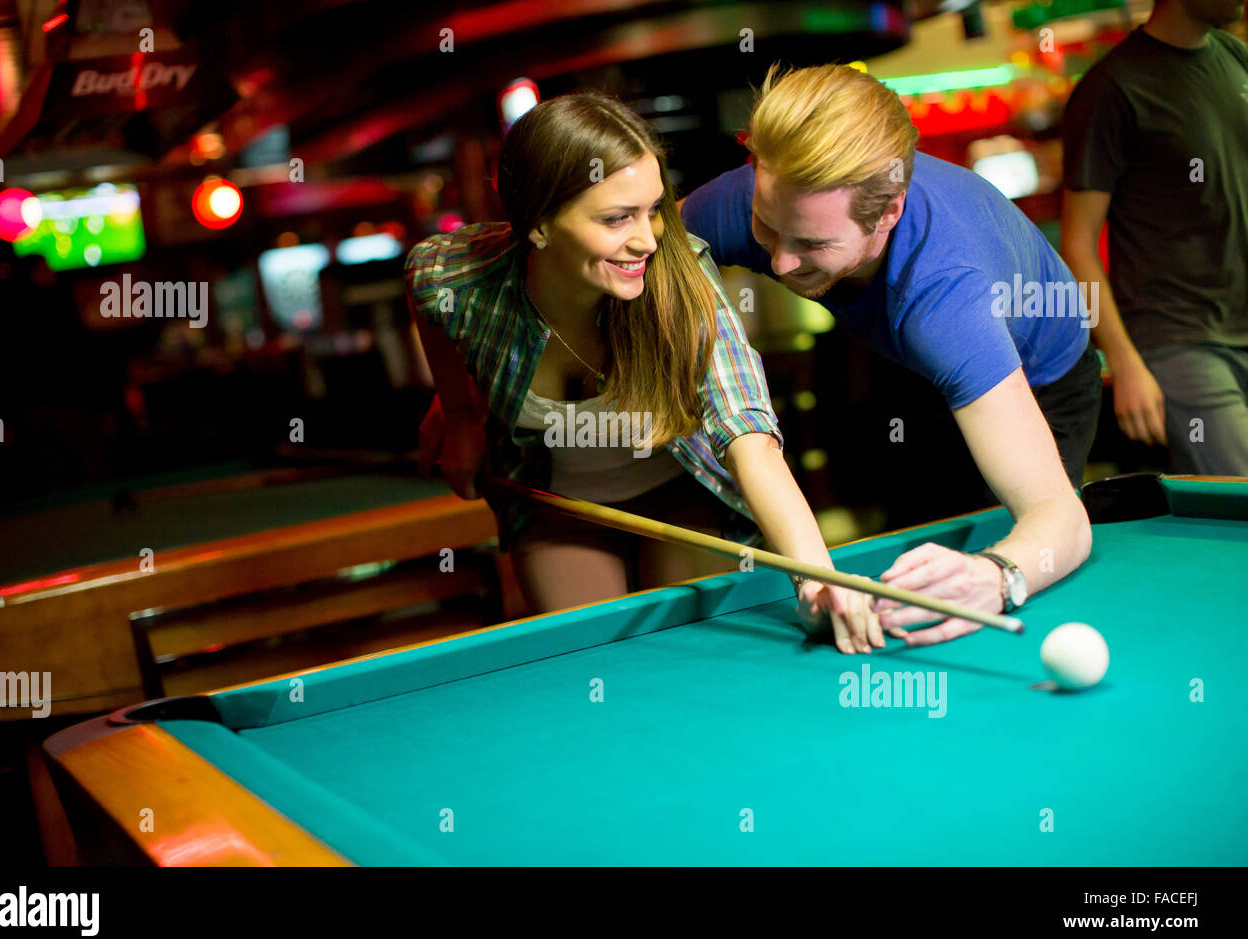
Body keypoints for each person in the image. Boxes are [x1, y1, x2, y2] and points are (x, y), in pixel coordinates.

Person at [405, 91, 883, 654]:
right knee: (591, 661)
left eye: (652, 208)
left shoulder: (682, 279)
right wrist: (460, 413)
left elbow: (747, 433)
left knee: (688, 656)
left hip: (683, 492)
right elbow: (424, 283)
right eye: (616, 218)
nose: (647, 239)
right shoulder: (463, 278)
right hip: (557, 505)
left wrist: (816, 577)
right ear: (537, 224)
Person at [680, 63, 1094, 645]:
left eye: (812, 244)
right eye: (767, 230)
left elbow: (1064, 523)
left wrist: (997, 576)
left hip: (1035, 379)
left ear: (889, 215)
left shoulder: (947, 299)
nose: (779, 263)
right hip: (899, 366)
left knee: (965, 589)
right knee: (898, 558)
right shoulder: (753, 196)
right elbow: (640, 251)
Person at [1060, 0, 1248, 476]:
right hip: (1179, 341)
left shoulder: (1234, 56)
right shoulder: (1112, 88)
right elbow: (1077, 244)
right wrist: (1124, 364)